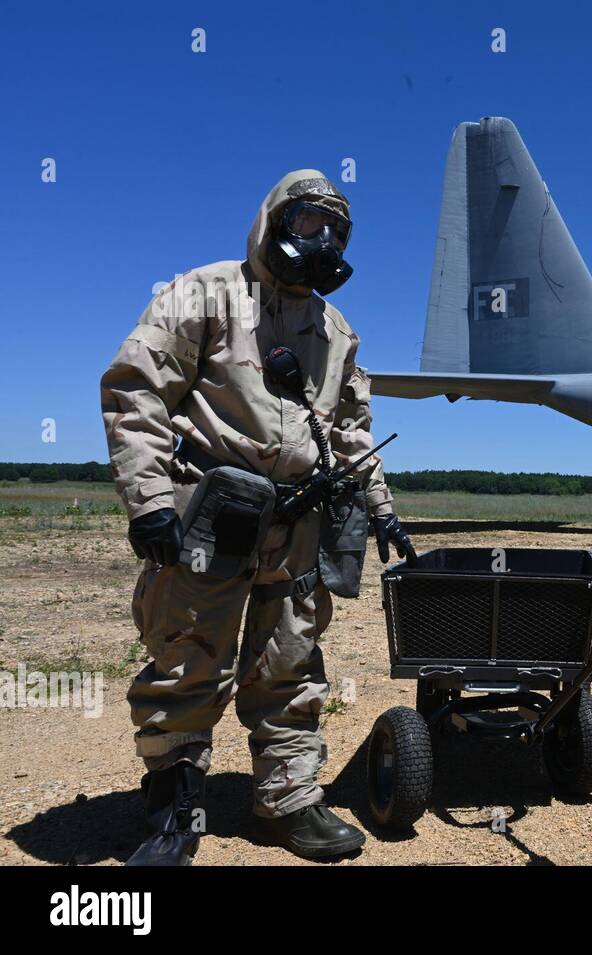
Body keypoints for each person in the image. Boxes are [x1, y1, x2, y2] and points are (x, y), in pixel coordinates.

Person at [101, 170, 418, 865]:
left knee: (291, 663)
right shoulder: (205, 293)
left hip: (299, 523)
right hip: (211, 513)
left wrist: (383, 511)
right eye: (309, 224)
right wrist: (151, 500)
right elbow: (136, 392)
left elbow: (353, 434)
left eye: (336, 231)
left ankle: (288, 799)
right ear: (275, 219)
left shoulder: (335, 332)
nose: (323, 240)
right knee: (188, 655)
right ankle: (175, 807)